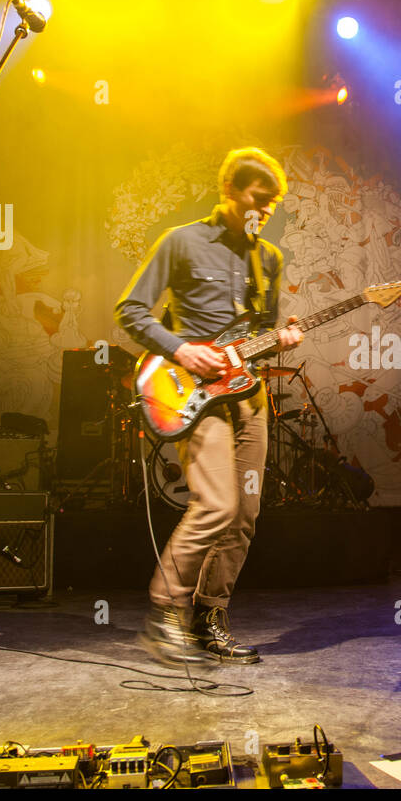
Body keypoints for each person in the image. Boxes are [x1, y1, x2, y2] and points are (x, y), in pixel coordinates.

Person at [114, 147, 302, 664]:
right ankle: (164, 615)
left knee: (244, 515)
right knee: (216, 503)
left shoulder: (269, 259)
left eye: (271, 205)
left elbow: (259, 332)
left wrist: (279, 340)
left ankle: (209, 618)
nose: (263, 212)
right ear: (229, 191)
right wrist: (181, 348)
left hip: (249, 396)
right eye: (256, 199)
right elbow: (130, 310)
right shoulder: (182, 242)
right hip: (194, 396)